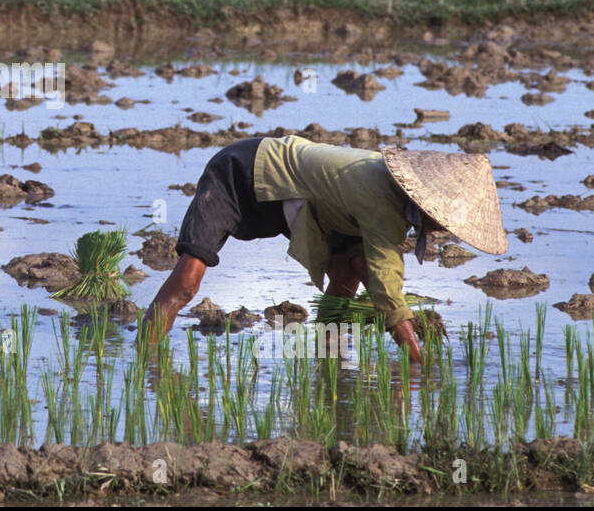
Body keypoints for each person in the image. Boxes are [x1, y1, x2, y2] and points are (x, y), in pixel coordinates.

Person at [140, 135, 508, 361]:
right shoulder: (381, 202)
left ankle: (326, 362)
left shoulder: (391, 199)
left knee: (350, 271)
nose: (447, 227)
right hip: (241, 173)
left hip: (308, 205)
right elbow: (387, 287)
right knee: (188, 281)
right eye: (447, 217)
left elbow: (375, 269)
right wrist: (417, 361)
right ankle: (146, 365)